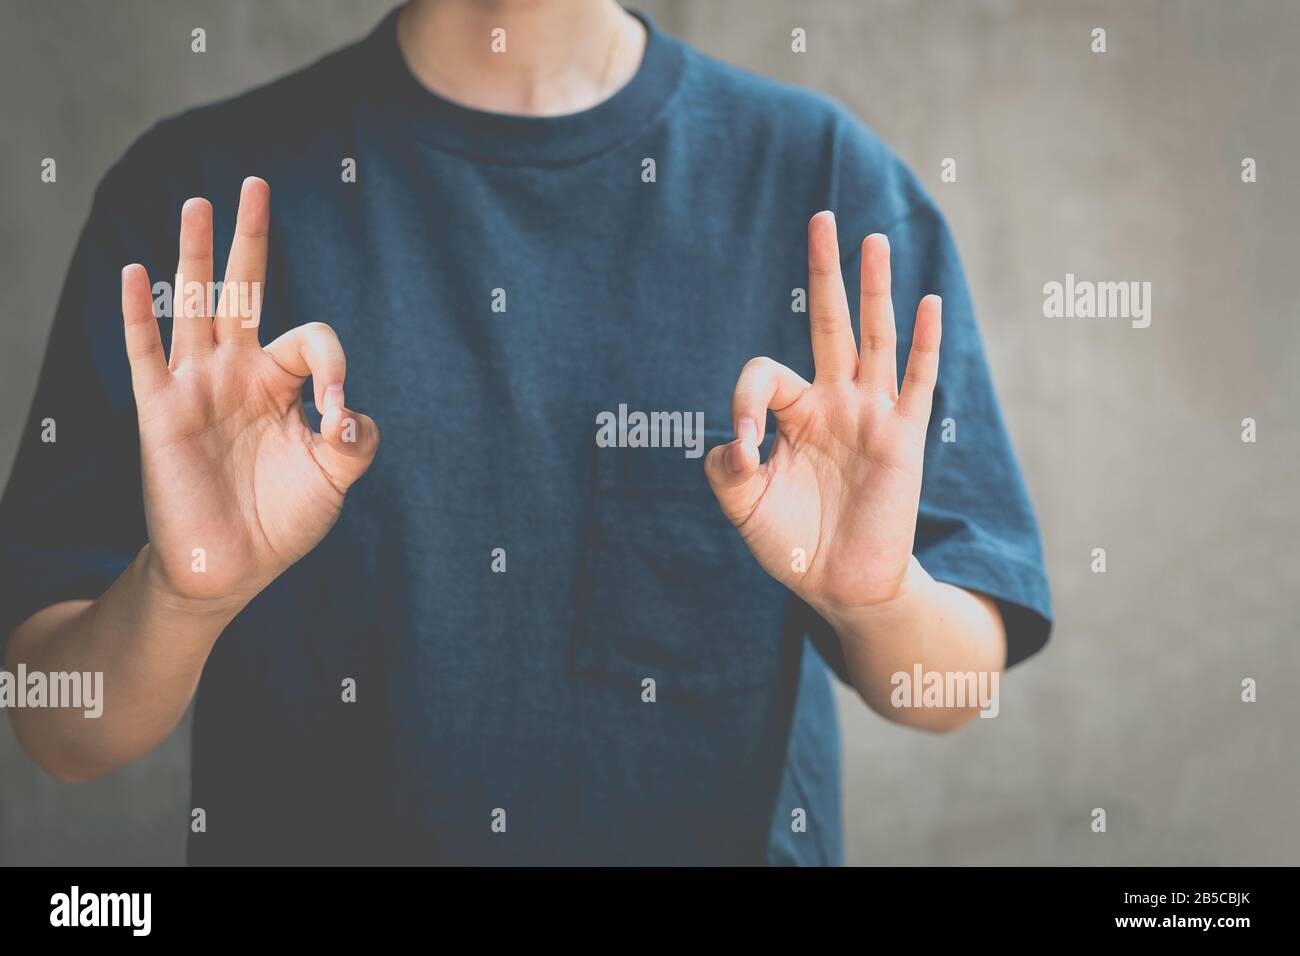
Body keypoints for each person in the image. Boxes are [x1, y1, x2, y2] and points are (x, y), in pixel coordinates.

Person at [0, 0, 1052, 865]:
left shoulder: (821, 186)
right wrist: (183, 593)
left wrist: (875, 596)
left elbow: (952, 688)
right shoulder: (197, 208)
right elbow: (62, 726)